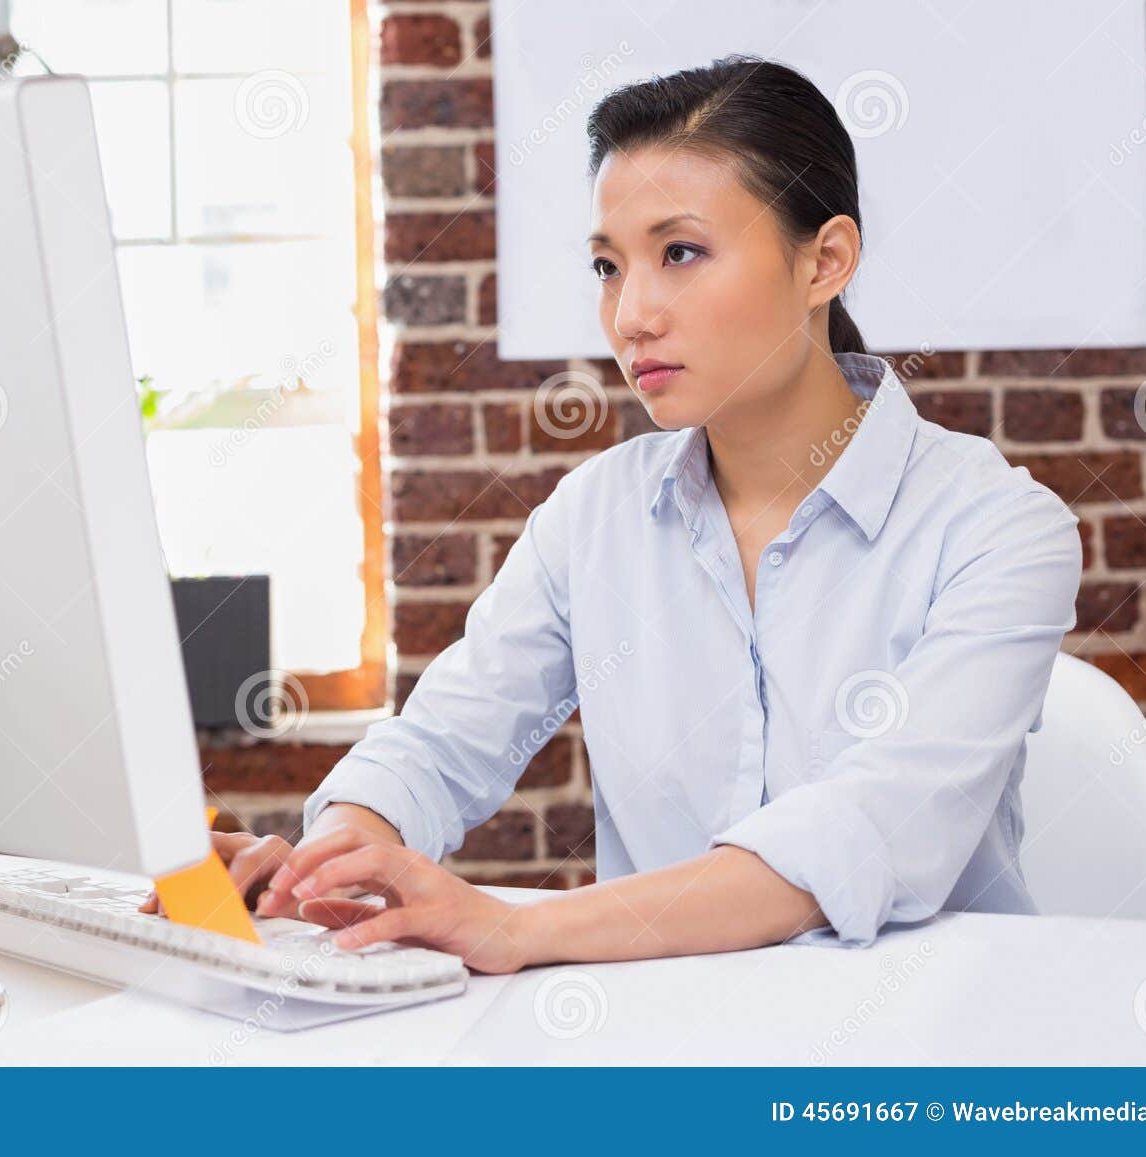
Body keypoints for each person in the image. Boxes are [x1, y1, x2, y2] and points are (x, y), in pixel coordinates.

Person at [143, 56, 1081, 973]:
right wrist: (332, 861)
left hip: (927, 1050)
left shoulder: (997, 529)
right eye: (606, 265)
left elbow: (868, 828)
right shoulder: (594, 517)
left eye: (680, 253)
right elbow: (439, 745)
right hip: (663, 1043)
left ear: (824, 261)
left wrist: (515, 928)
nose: (631, 315)